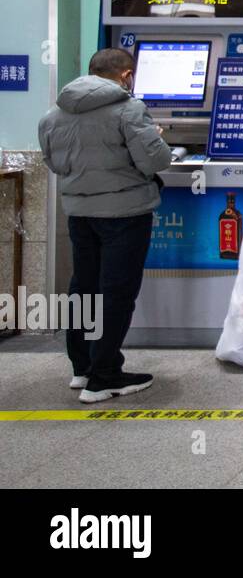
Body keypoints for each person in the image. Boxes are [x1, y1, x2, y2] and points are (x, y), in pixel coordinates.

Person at [38, 47, 173, 403]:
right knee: (117, 292)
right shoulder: (129, 110)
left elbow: (54, 163)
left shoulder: (55, 114)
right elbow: (156, 160)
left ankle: (82, 369)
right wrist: (156, 135)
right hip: (125, 214)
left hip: (80, 214)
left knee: (84, 287)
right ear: (126, 75)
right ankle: (105, 377)